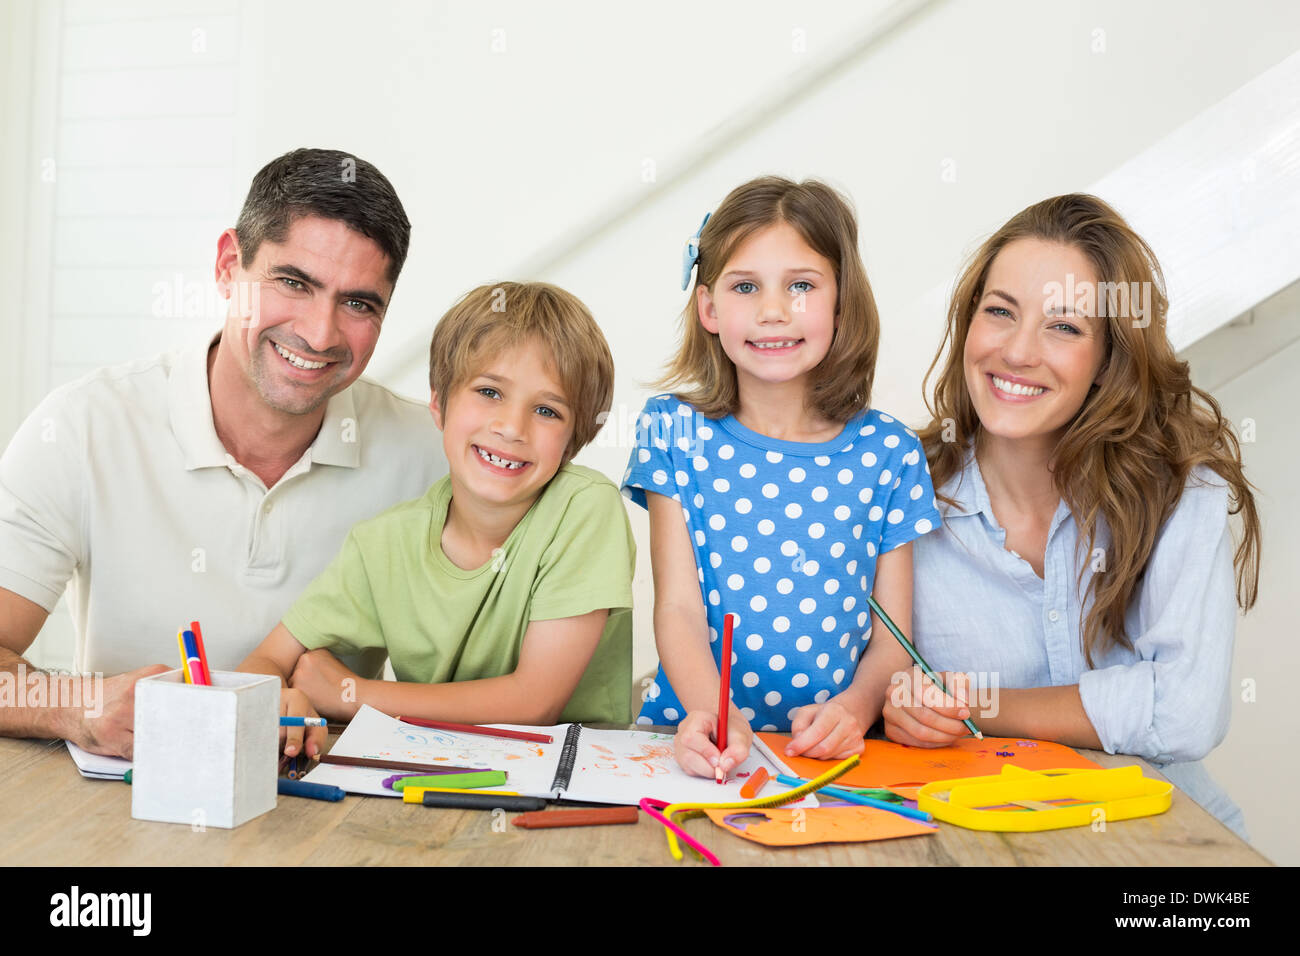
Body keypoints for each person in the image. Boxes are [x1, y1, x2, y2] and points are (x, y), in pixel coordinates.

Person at [0, 148, 445, 757]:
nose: (319, 334)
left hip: (331, 817)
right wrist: (79, 707)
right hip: (123, 817)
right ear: (228, 266)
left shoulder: (428, 455)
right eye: (294, 283)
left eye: (358, 303)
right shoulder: (84, 426)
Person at [887, 193, 1259, 838]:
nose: (1018, 352)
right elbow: (862, 685)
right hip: (970, 840)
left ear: (1108, 358)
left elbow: (1187, 712)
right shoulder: (894, 494)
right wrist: (898, 707)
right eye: (1000, 312)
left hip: (1169, 844)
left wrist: (973, 705)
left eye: (1064, 326)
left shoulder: (1179, 490)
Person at [622, 177, 941, 780]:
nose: (774, 310)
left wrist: (856, 706)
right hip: (691, 742)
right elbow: (680, 610)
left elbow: (894, 635)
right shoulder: (673, 433)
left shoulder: (890, 453)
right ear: (710, 309)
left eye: (800, 286)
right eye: (746, 287)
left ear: (841, 303)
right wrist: (709, 715)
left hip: (843, 756)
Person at [238, 282, 636, 761]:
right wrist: (279, 700)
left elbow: (534, 701)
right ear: (438, 404)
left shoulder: (584, 509)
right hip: (430, 776)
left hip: (572, 780)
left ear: (573, 440)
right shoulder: (384, 542)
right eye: (489, 392)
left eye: (547, 411)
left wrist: (352, 693)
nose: (512, 428)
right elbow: (267, 659)